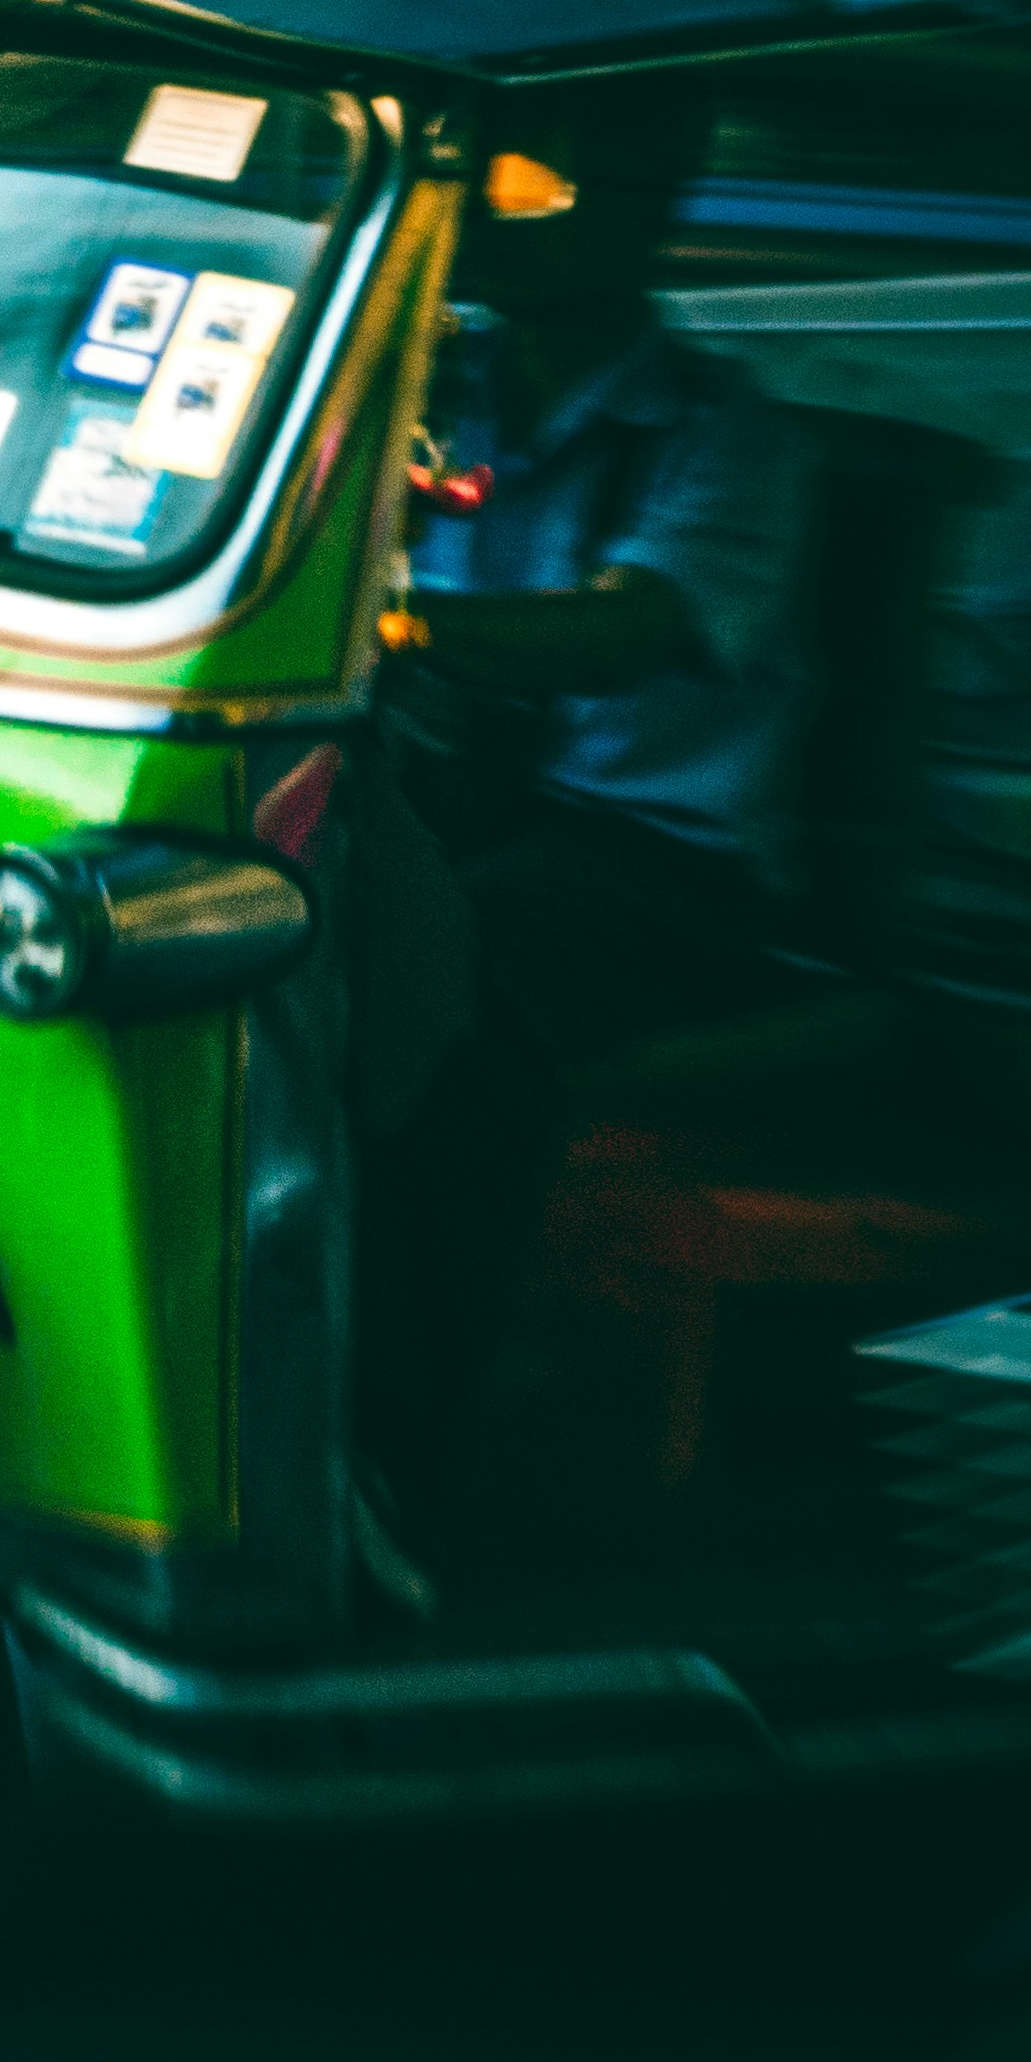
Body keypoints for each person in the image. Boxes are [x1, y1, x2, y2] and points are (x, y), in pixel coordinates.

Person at [349, 96, 818, 1533]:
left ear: (646, 207)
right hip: (460, 815)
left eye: (541, 182)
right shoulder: (428, 389)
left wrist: (389, 625)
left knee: (436, 998)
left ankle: (390, 1466)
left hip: (654, 864)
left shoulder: (729, 435)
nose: (500, 211)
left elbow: (623, 632)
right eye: (485, 180)